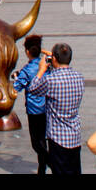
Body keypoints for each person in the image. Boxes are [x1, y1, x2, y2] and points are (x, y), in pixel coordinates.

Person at [27, 42, 85, 174]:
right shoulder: (79, 77)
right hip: (74, 135)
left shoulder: (51, 80)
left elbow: (33, 89)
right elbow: (62, 75)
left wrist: (41, 69)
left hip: (58, 137)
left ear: (54, 58)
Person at [13, 36, 49, 174]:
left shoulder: (27, 70)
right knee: (43, 140)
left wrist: (16, 77)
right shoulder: (47, 65)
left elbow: (17, 87)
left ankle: (50, 161)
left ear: (27, 51)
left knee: (36, 143)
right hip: (47, 108)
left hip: (34, 110)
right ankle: (42, 169)